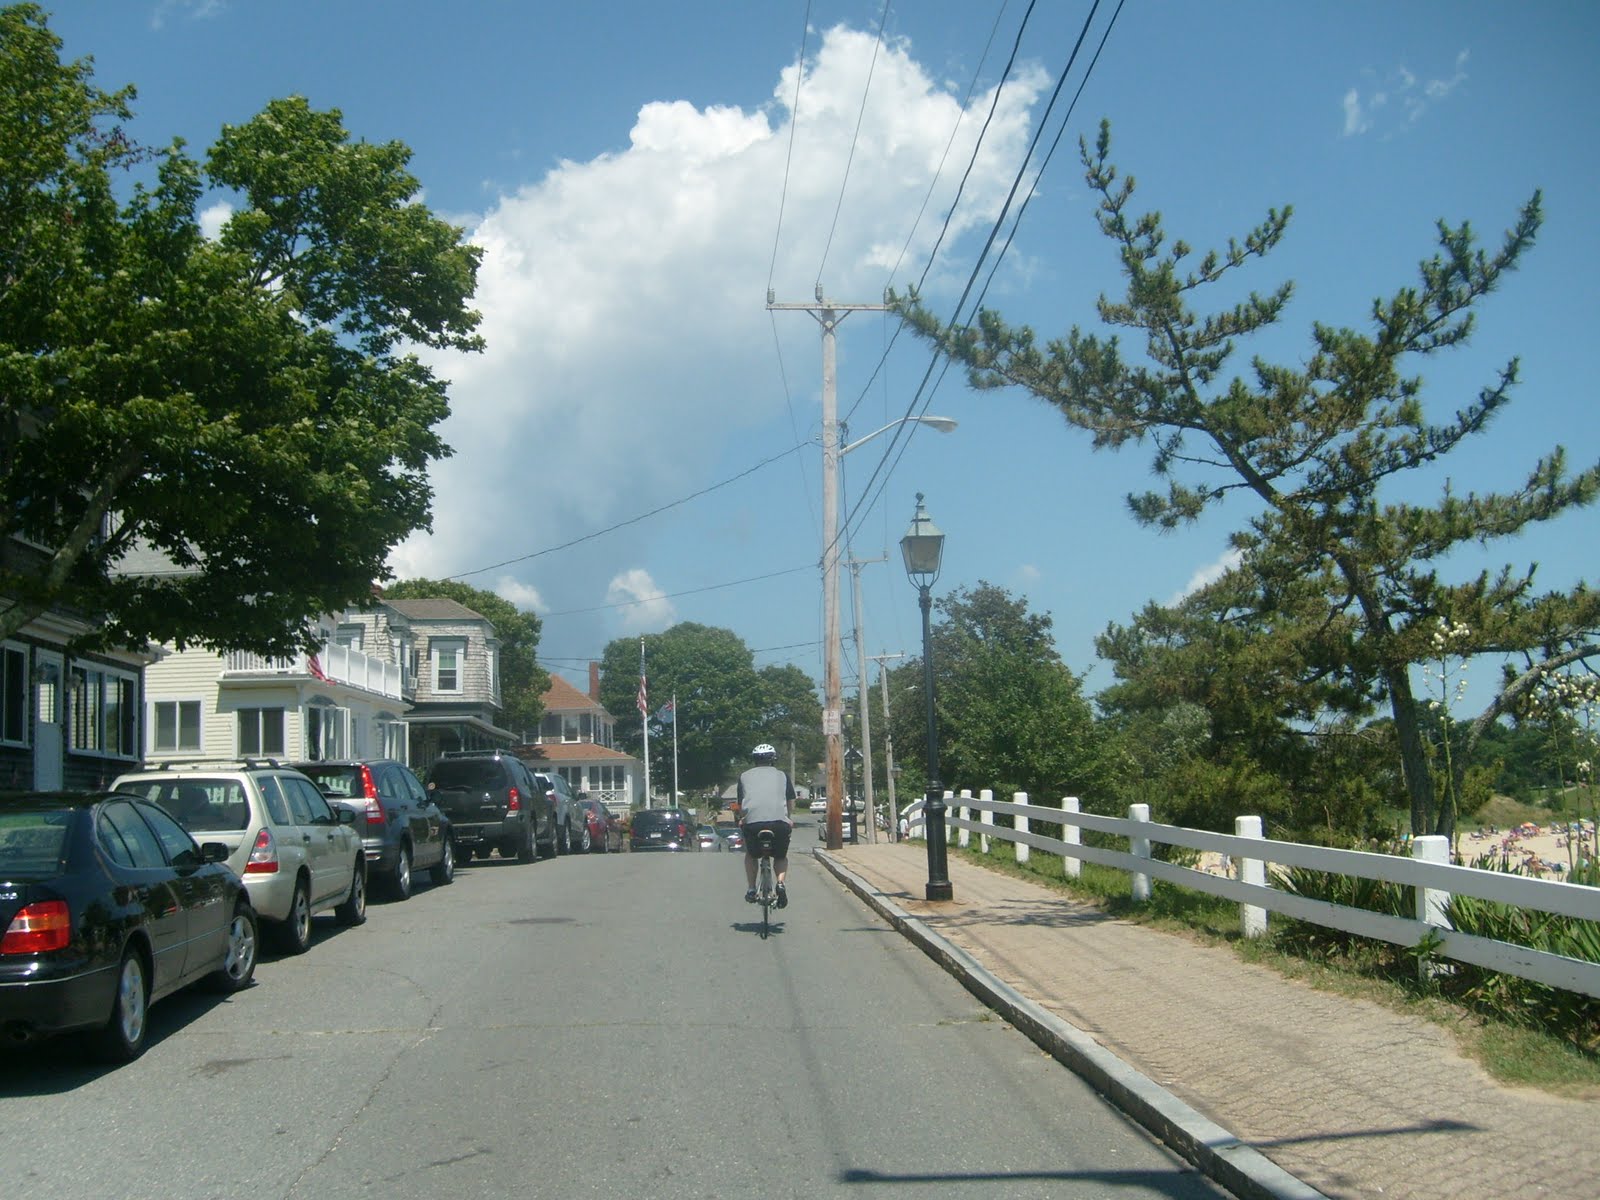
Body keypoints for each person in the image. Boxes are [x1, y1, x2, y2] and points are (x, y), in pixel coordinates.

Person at [737, 742, 795, 908]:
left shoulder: (744, 776)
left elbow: (741, 804)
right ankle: (780, 883)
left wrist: (743, 818)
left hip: (753, 824)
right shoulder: (782, 776)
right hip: (779, 823)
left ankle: (751, 888)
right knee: (780, 856)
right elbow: (790, 802)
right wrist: (788, 818)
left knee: (751, 855)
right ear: (773, 759)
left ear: (754, 760)